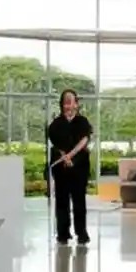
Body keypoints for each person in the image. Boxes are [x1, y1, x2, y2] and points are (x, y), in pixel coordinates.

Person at [46, 89, 93, 245]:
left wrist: (71, 156)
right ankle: (63, 233)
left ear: (76, 104)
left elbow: (84, 141)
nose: (68, 105)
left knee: (79, 201)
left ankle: (82, 233)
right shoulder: (55, 124)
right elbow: (56, 143)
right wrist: (64, 156)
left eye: (71, 101)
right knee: (62, 201)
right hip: (62, 169)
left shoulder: (83, 122)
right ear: (62, 105)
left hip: (79, 167)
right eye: (65, 102)